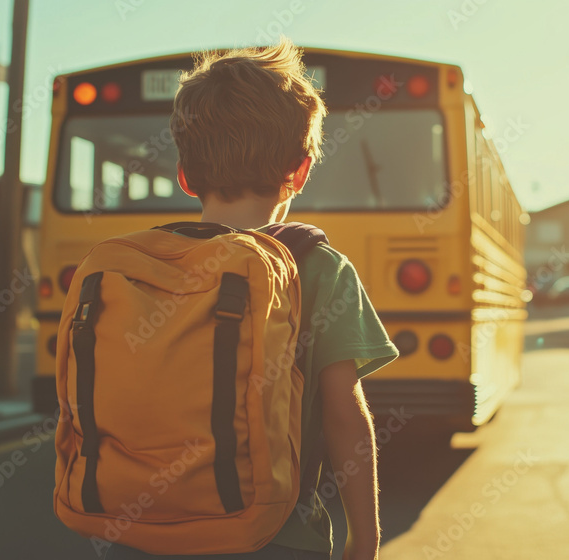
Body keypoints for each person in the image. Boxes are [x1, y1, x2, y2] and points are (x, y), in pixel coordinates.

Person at [103, 39, 399, 560]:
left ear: (186, 175)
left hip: (137, 533)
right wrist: (364, 538)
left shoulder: (137, 271)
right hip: (272, 536)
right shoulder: (318, 268)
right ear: (300, 171)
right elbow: (343, 412)